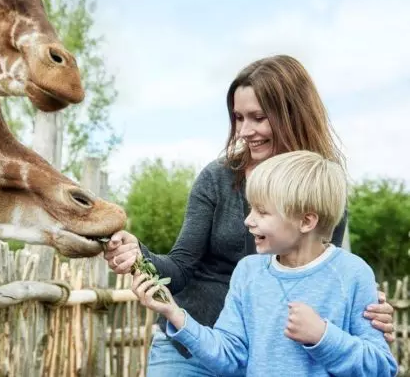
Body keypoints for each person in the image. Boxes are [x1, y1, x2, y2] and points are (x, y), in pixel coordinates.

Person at [104, 55, 396, 376]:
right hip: (193, 348)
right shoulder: (216, 179)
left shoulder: (322, 190)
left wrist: (363, 307)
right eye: (238, 117)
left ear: (291, 114)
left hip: (267, 356)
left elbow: (317, 273)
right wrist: (138, 256)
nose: (244, 130)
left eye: (258, 117)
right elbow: (181, 266)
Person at [131, 150, 398, 376]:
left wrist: (322, 336)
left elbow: (382, 366)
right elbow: (230, 355)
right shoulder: (249, 272)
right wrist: (173, 313)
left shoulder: (352, 274)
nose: (248, 221)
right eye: (250, 209)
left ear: (306, 221)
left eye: (262, 212)